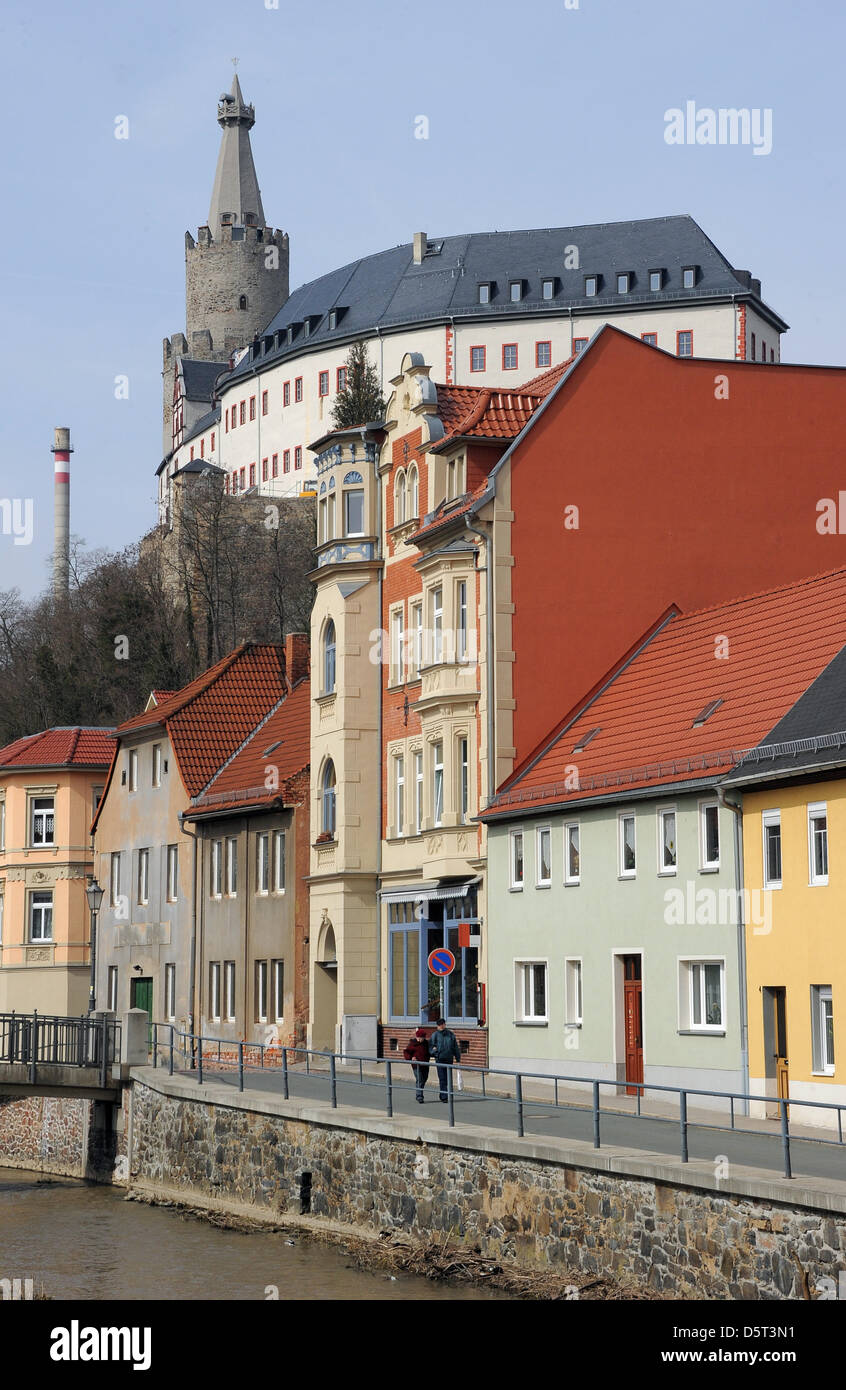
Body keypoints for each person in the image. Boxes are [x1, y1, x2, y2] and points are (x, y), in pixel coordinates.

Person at [429, 1018, 461, 1102]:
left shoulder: (450, 1034)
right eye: (440, 1025)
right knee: (442, 1078)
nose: (442, 1026)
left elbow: (455, 1047)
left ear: (445, 1025)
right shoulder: (435, 1035)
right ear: (437, 1026)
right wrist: (434, 1052)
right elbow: (430, 1047)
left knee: (448, 1078)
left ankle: (448, 1094)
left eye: (443, 1024)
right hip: (439, 1059)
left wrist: (458, 1059)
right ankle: (444, 1096)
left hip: (449, 1058)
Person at [402, 1028, 430, 1103]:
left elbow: (429, 1052)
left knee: (424, 1079)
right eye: (418, 1038)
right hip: (416, 1066)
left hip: (425, 1065)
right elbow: (406, 1052)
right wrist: (411, 1058)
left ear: (424, 1038)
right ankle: (419, 1096)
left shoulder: (426, 1043)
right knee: (419, 1079)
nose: (419, 1039)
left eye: (421, 1038)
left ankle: (419, 1091)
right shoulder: (412, 1044)